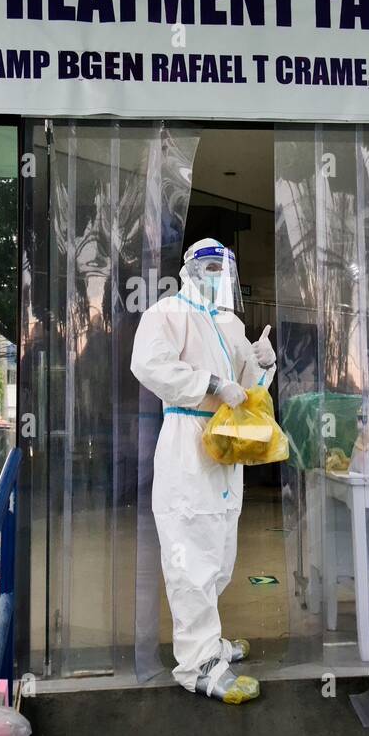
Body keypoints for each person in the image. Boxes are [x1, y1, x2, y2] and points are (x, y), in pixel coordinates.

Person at [130, 238, 276, 704]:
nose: (218, 275)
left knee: (220, 552)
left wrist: (262, 363)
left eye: (224, 268)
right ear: (189, 269)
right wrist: (210, 383)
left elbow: (246, 388)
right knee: (190, 556)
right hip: (187, 444)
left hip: (225, 447)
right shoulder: (168, 312)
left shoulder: (229, 322)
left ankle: (209, 643)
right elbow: (148, 364)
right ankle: (197, 667)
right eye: (209, 266)